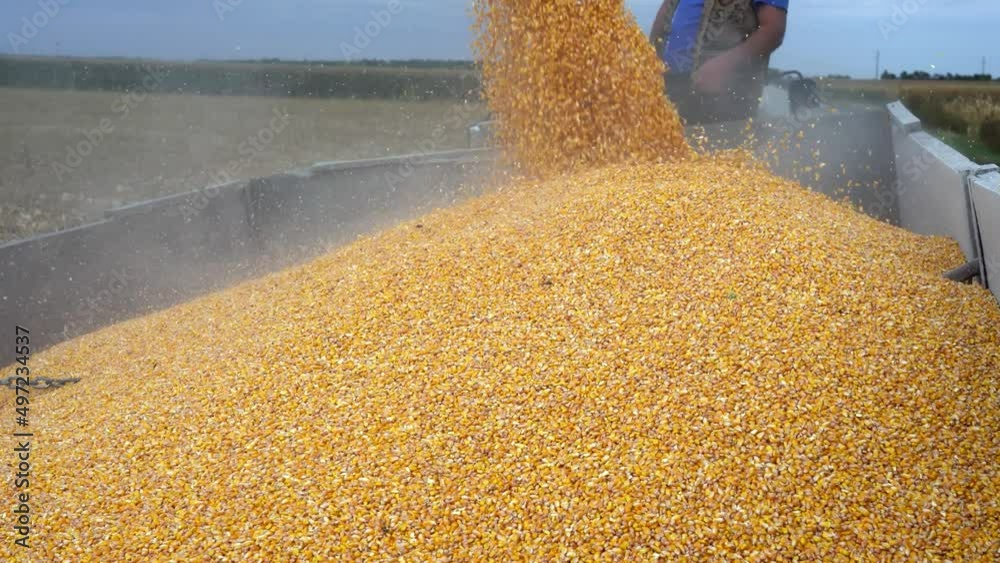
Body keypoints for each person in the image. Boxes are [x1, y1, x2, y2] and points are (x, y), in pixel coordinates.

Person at [650, 0, 788, 124]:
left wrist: (724, 66)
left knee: (707, 147)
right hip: (667, 84)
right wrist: (649, 58)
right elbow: (667, 9)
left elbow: (772, 31)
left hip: (719, 96)